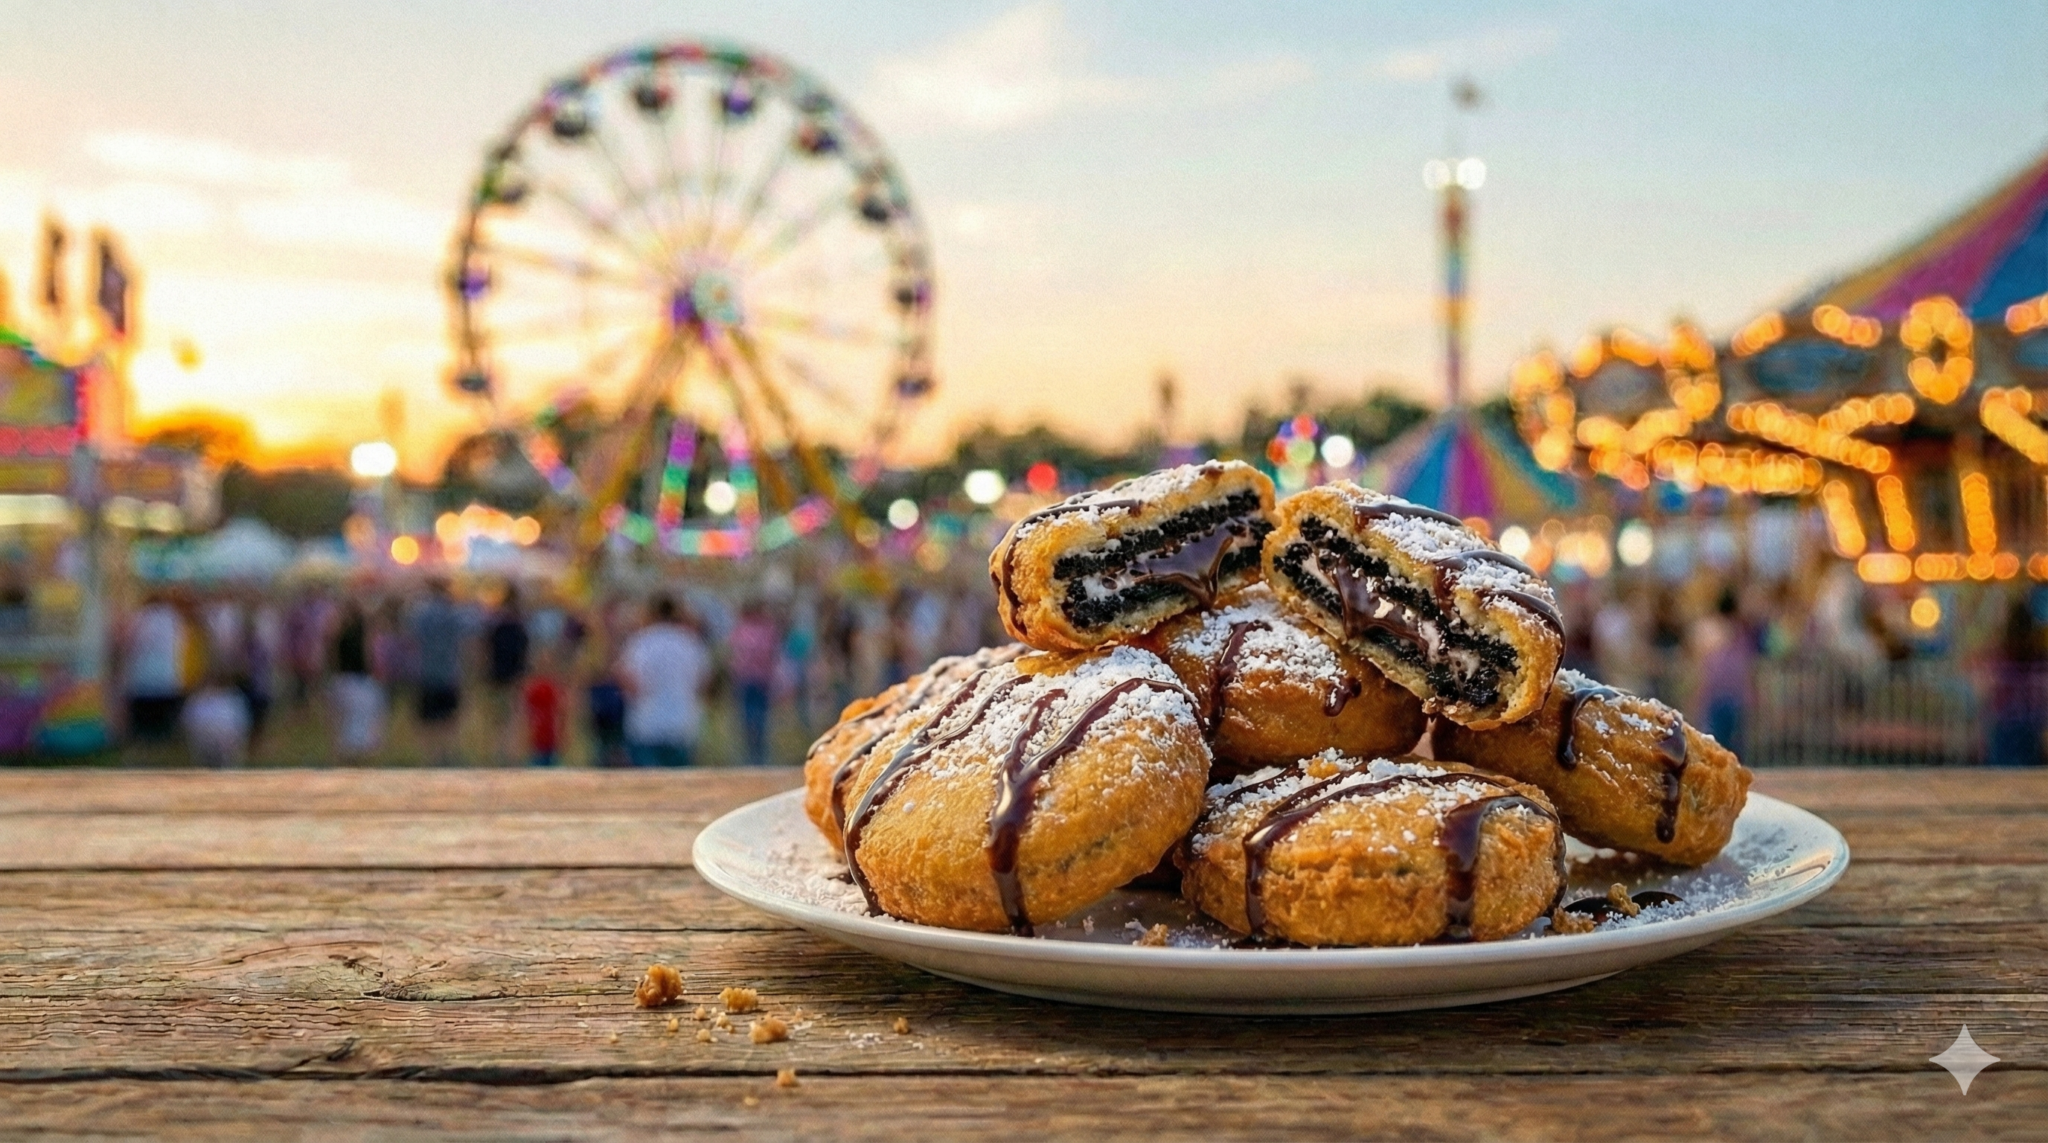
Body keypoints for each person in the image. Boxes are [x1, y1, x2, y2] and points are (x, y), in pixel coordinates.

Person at [619, 594, 711, 767]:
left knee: (647, 788)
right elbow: (703, 683)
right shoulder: (690, 643)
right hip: (682, 724)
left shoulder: (640, 642)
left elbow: (629, 682)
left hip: (646, 724)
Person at [412, 578, 465, 765]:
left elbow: (412, 638)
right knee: (449, 719)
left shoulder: (422, 614)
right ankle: (448, 755)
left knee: (428, 720)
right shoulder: (453, 613)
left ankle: (430, 758)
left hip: (427, 672)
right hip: (450, 672)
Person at [123, 592, 189, 742]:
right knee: (164, 726)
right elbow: (182, 644)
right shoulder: (173, 618)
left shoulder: (140, 617)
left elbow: (129, 644)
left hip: (142, 679)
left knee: (145, 727)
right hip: (167, 677)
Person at [329, 599, 384, 760]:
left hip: (342, 679)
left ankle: (343, 757)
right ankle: (359, 758)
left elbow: (332, 656)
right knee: (362, 721)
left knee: (343, 722)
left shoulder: (338, 630)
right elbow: (369, 656)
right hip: (360, 680)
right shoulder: (364, 631)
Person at [727, 600, 780, 767]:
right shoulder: (768, 629)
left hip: (747, 679)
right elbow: (772, 654)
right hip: (762, 679)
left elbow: (734, 654)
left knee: (748, 718)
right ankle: (758, 756)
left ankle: (751, 756)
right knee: (760, 718)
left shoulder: (741, 630)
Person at [485, 584, 532, 761]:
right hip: (515, 673)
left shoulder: (496, 622)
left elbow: (487, 648)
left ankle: (500, 751)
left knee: (499, 716)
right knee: (513, 715)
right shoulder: (521, 623)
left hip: (498, 673)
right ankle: (510, 753)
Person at [182, 668, 251, 767]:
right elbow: (187, 723)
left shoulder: (233, 699)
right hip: (203, 741)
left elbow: (242, 724)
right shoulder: (197, 700)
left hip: (228, 743)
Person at [522, 647, 565, 767]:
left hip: (552, 740)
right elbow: (526, 713)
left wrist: (562, 734)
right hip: (536, 740)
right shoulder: (532, 687)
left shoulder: (555, 687)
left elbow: (560, 712)